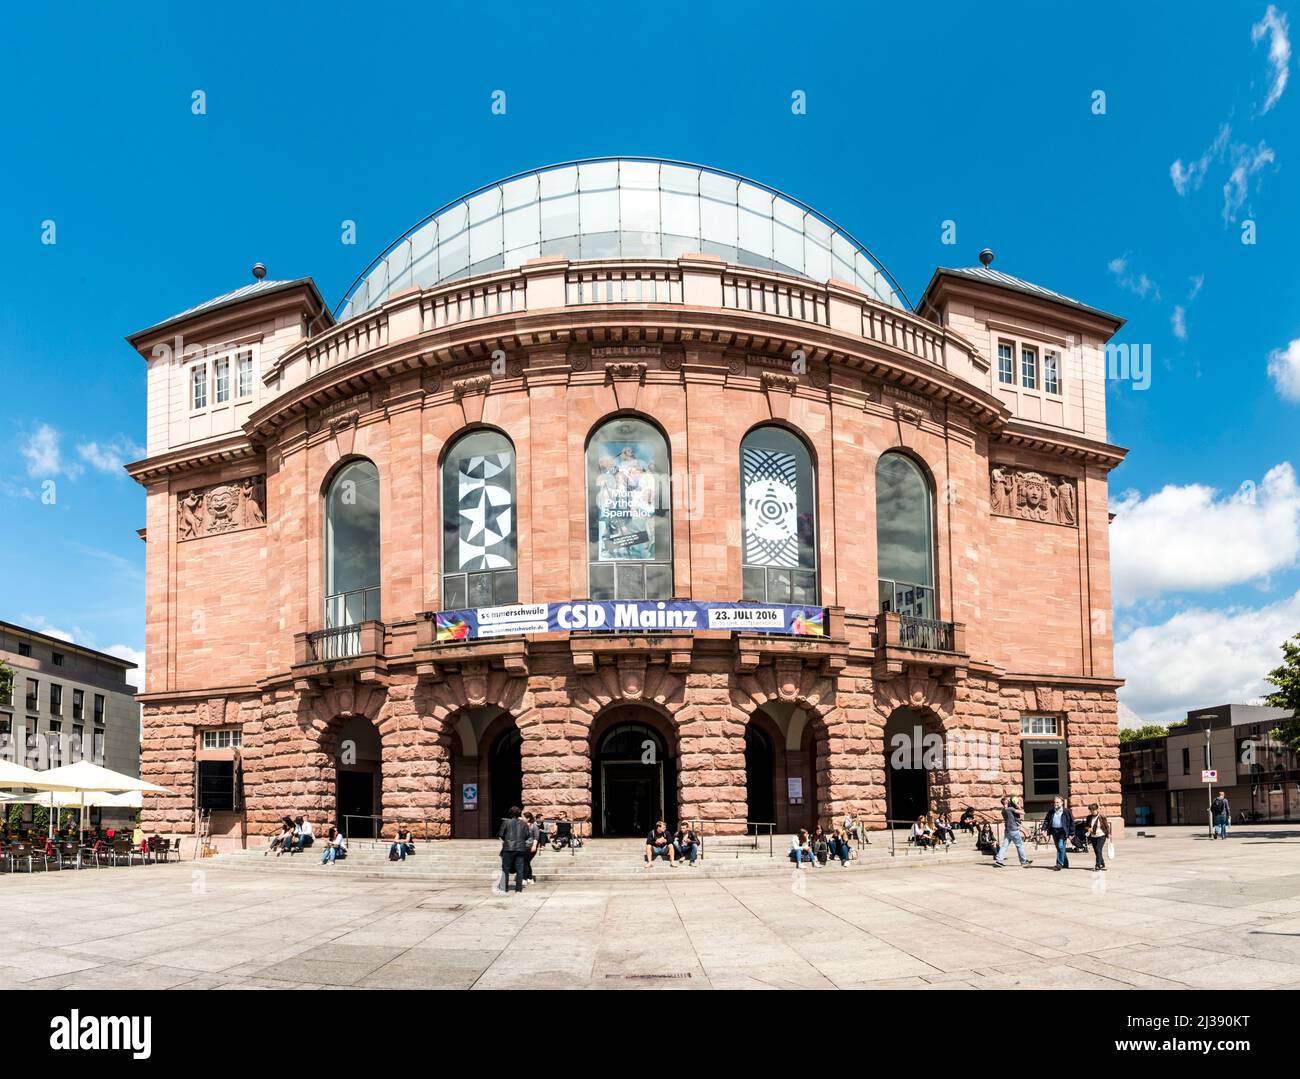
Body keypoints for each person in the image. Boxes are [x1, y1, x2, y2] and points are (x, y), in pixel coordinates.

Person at [498, 806, 531, 894]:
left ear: (510, 814)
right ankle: (518, 889)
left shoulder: (506, 822)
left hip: (508, 847)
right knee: (519, 869)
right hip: (520, 848)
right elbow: (528, 835)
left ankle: (503, 888)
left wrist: (507, 840)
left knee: (505, 868)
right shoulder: (524, 823)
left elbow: (501, 834)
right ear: (519, 814)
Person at [994, 795, 1032, 868]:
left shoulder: (1003, 811)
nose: (1009, 801)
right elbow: (1023, 813)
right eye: (1008, 801)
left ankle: (999, 861)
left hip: (1007, 830)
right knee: (1019, 846)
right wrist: (1017, 804)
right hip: (1014, 830)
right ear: (1006, 802)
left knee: (1004, 846)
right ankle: (1023, 862)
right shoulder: (1010, 809)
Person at [1043, 796, 1074, 870]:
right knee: (1060, 848)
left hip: (1062, 831)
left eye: (1057, 802)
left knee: (1060, 846)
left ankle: (1059, 864)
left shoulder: (1066, 811)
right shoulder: (1051, 811)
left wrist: (1071, 833)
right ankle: (1065, 863)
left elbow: (1071, 822)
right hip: (1054, 831)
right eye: (1054, 802)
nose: (1055, 804)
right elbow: (1047, 820)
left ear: (1062, 803)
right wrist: (1044, 829)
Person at [1084, 803, 1111, 871]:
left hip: (1101, 835)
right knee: (1096, 851)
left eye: (1093, 810)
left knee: (1098, 849)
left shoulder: (1102, 817)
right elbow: (1086, 826)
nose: (1092, 812)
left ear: (1097, 809)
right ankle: (1102, 863)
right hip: (1093, 836)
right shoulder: (1089, 817)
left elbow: (1106, 826)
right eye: (1091, 810)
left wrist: (1109, 834)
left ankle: (1097, 865)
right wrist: (1088, 829)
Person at [522, 812, 539, 884]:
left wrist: (534, 846)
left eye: (523, 817)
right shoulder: (522, 826)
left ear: (528, 818)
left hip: (531, 846)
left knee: (525, 862)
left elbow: (536, 837)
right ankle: (530, 878)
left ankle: (525, 878)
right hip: (522, 846)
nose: (522, 818)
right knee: (526, 862)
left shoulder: (534, 826)